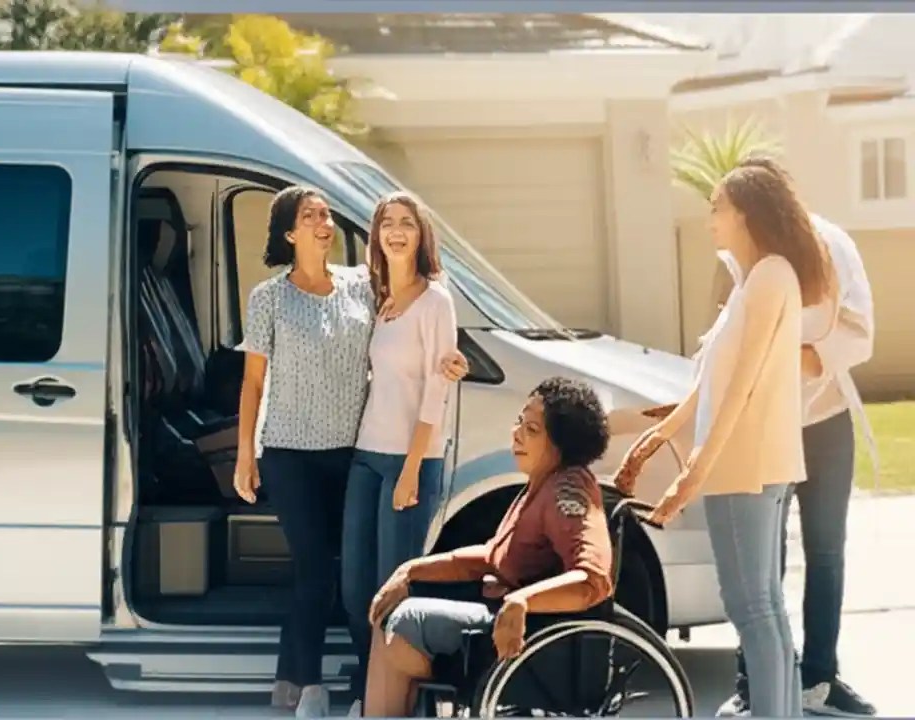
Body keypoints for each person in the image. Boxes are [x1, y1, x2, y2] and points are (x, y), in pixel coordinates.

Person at [232, 185, 468, 718]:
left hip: (350, 450)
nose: (323, 221)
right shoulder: (268, 297)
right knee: (319, 568)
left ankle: (373, 689)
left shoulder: (362, 288)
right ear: (289, 233)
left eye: (326, 213)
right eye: (309, 215)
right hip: (290, 451)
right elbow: (252, 383)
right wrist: (246, 454)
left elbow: (428, 330)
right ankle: (309, 685)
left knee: (358, 578)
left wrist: (456, 364)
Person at [614, 163, 835, 717]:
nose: (710, 217)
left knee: (752, 608)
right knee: (764, 609)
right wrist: (657, 436)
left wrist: (692, 473)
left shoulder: (768, 278)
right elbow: (709, 381)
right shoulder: (756, 279)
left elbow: (742, 387)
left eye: (718, 207)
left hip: (747, 464)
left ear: (746, 213)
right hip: (748, 462)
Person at [711, 156, 878, 718]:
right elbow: (728, 341)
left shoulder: (829, 244)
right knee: (764, 561)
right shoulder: (738, 256)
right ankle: (754, 685)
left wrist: (791, 359)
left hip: (823, 420)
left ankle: (821, 680)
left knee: (826, 549)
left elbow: (858, 332)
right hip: (764, 425)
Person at [360, 376, 615, 718]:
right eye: (519, 422)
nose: (517, 433)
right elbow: (491, 556)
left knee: (403, 621)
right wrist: (410, 570)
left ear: (561, 443)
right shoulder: (541, 486)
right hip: (502, 621)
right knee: (393, 610)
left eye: (533, 429)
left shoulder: (567, 493)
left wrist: (522, 601)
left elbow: (593, 579)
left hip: (528, 640)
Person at [340, 192, 459, 715]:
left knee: (394, 590)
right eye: (387, 223)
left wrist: (412, 468)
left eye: (406, 223)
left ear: (421, 234)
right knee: (354, 587)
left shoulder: (436, 301)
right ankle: (374, 689)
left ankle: (401, 704)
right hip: (366, 455)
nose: (396, 231)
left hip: (411, 461)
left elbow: (438, 385)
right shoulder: (378, 297)